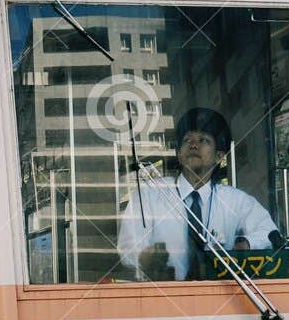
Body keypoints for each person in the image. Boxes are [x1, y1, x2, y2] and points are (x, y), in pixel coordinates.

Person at [118, 106, 278, 281]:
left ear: (219, 156)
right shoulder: (150, 193)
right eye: (187, 140)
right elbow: (128, 247)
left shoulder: (236, 201)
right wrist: (144, 257)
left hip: (221, 293)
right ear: (179, 154)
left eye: (204, 140)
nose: (193, 145)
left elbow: (270, 234)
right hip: (164, 292)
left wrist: (245, 243)